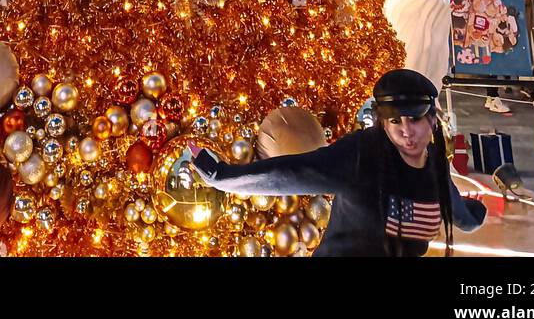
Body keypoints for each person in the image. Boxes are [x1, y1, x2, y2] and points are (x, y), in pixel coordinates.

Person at [190, 69, 487, 257]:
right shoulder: (360, 155)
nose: (407, 131)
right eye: (396, 121)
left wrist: (474, 213)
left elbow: (451, 205)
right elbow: (290, 172)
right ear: (383, 124)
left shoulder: (433, 163)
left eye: (415, 119)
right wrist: (222, 176)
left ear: (432, 121)